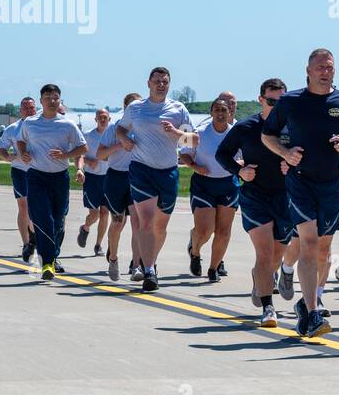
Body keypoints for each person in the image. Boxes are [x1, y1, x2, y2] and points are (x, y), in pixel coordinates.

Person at [260, 49, 339, 338]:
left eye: (330, 67)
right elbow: (267, 135)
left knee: (323, 249)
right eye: (320, 67)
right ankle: (312, 313)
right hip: (300, 181)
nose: (326, 71)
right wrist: (285, 152)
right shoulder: (290, 101)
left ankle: (308, 300)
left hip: (333, 183)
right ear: (308, 70)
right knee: (308, 244)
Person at [216, 79, 293, 326]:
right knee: (265, 252)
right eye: (272, 101)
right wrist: (239, 171)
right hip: (255, 195)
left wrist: (292, 165)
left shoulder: (293, 127)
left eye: (282, 100)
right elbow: (222, 154)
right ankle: (268, 308)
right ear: (261, 100)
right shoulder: (246, 128)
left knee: (275, 257)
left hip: (286, 196)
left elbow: (309, 154)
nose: (277, 105)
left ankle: (261, 278)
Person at [116, 67, 193, 292]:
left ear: (169, 84)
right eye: (157, 81)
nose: (161, 85)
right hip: (141, 169)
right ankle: (148, 270)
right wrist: (124, 139)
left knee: (160, 227)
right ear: (148, 83)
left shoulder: (178, 109)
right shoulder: (136, 108)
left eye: (165, 81)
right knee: (146, 221)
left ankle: (151, 261)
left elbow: (191, 141)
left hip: (167, 172)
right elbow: (120, 128)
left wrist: (176, 134)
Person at [16, 84, 88, 280]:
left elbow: (83, 148)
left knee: (58, 222)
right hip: (37, 176)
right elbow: (20, 141)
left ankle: (52, 256)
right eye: (48, 97)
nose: (52, 101)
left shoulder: (68, 125)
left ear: (60, 101)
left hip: (59, 178)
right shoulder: (30, 123)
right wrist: (23, 153)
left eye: (55, 97)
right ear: (41, 101)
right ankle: (47, 263)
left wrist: (66, 155)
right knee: (43, 219)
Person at [182, 99, 239, 282]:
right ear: (211, 112)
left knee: (223, 231)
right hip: (203, 184)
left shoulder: (237, 134)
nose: (221, 113)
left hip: (228, 184)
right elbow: (182, 152)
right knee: (205, 230)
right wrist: (195, 166)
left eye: (224, 110)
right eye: (217, 110)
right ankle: (195, 252)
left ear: (230, 112)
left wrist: (239, 165)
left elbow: (246, 157)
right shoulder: (199, 132)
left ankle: (214, 268)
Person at [99, 92, 142, 282]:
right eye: (131, 107)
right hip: (116, 177)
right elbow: (100, 154)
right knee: (117, 221)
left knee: (138, 223)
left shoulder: (144, 127)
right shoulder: (114, 128)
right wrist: (118, 146)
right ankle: (113, 259)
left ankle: (137, 265)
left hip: (137, 176)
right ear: (125, 109)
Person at [0, 97, 38, 260]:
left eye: (32, 107)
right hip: (20, 171)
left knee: (38, 208)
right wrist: (7, 157)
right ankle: (27, 243)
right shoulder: (12, 129)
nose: (29, 110)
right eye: (25, 108)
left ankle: (35, 235)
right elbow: (1, 148)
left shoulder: (41, 125)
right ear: (20, 110)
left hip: (39, 171)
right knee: (24, 207)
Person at [75, 108, 114, 256]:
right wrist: (86, 163)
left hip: (109, 178)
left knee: (105, 213)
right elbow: (79, 155)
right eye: (100, 117)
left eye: (105, 117)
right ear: (95, 119)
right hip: (92, 179)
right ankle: (85, 227)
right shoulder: (88, 135)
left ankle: (98, 245)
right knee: (95, 214)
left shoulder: (113, 136)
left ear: (109, 119)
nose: (103, 119)